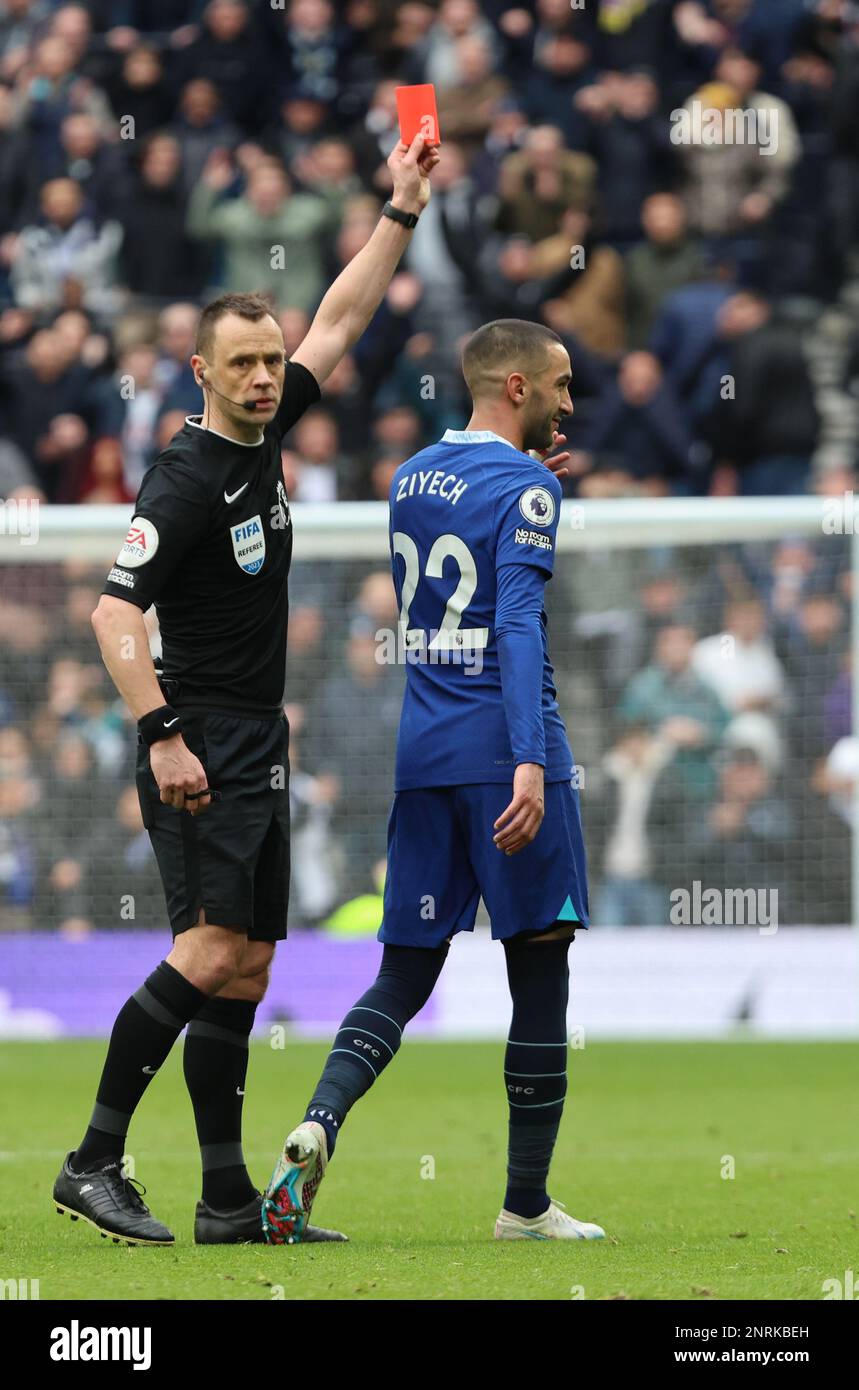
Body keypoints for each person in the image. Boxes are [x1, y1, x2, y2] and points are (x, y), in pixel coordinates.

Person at [51, 132, 439, 1248]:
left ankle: (226, 1200)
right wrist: (161, 732)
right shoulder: (181, 482)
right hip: (201, 740)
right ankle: (91, 1160)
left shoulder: (263, 440)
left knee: (253, 961)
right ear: (201, 373)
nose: (269, 375)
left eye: (273, 360)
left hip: (253, 736)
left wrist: (400, 211)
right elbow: (112, 614)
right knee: (213, 948)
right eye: (246, 364)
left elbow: (345, 317)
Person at [262, 318, 606, 1244]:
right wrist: (533, 760)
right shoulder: (528, 487)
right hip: (506, 752)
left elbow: (468, 559)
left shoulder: (410, 477)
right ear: (519, 388)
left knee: (403, 971)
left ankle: (316, 1123)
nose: (572, 402)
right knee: (539, 967)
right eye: (561, 384)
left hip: (424, 758)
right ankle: (524, 1206)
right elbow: (518, 627)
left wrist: (532, 491)